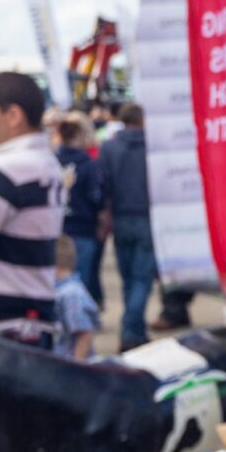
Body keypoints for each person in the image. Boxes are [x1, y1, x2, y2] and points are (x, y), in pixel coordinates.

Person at [0, 72, 65, 324]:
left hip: (5, 315)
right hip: (34, 308)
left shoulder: (8, 170)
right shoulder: (45, 162)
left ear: (13, 116)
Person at [96, 102, 157, 351]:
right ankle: (132, 329)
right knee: (142, 278)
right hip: (146, 217)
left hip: (121, 217)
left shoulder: (109, 148)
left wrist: (104, 217)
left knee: (130, 278)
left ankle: (135, 329)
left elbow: (103, 185)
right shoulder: (151, 149)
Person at [54, 117, 106, 305]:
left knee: (61, 279)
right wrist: (101, 222)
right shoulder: (88, 164)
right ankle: (82, 317)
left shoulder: (52, 161)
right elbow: (96, 197)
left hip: (59, 228)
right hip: (83, 228)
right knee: (82, 278)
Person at [52, 236, 101, 361]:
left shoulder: (71, 295)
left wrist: (76, 366)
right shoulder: (63, 291)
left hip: (67, 369)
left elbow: (84, 333)